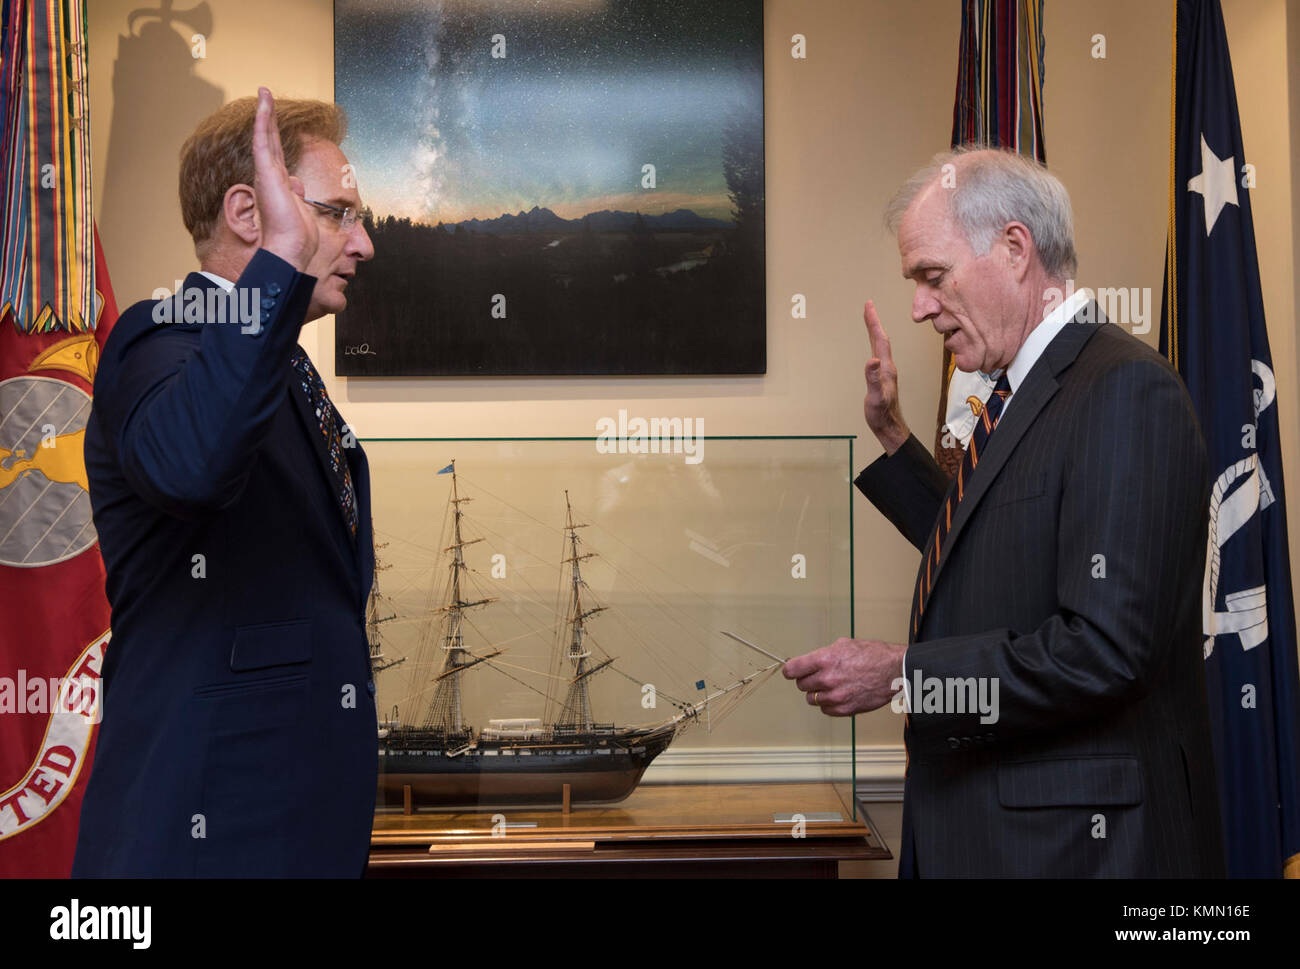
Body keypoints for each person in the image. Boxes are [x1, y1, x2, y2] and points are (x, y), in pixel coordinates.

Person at [785, 147, 1225, 877]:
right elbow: (989, 540)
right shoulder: (1022, 390)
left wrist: (905, 675)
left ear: (1016, 249)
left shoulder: (1123, 391)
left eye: (933, 276)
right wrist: (895, 435)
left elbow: (1104, 653)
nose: (920, 306)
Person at [73, 89, 378, 876]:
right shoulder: (160, 339)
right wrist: (281, 259)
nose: (363, 242)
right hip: (199, 838)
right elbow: (193, 466)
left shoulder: (280, 368)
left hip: (289, 827)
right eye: (338, 212)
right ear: (251, 214)